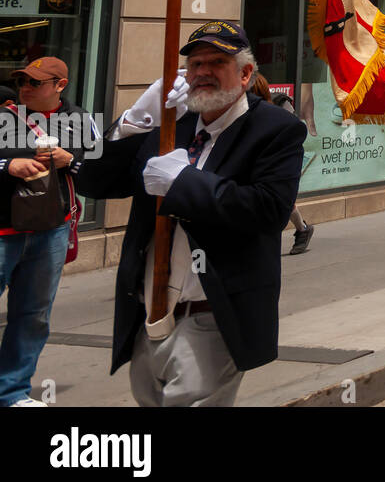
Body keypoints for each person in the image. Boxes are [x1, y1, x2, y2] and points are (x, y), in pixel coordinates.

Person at [75, 22, 306, 406]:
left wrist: (184, 182)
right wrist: (135, 121)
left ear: (246, 73)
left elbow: (267, 209)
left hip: (212, 315)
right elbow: (96, 183)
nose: (202, 72)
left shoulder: (275, 129)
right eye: (194, 64)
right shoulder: (171, 124)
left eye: (217, 62)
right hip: (150, 313)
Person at [0, 59, 94, 408]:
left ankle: (11, 391)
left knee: (33, 315)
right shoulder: (3, 116)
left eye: (35, 82)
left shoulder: (81, 121)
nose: (25, 87)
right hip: (2, 229)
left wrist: (71, 160)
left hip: (49, 231)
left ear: (60, 85)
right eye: (21, 80)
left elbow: (100, 172)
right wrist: (8, 165)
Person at [269, 91, 314, 255]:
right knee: (283, 200)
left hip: (282, 157)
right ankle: (302, 229)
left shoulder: (278, 103)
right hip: (270, 157)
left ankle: (302, 230)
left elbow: (291, 126)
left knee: (283, 199)